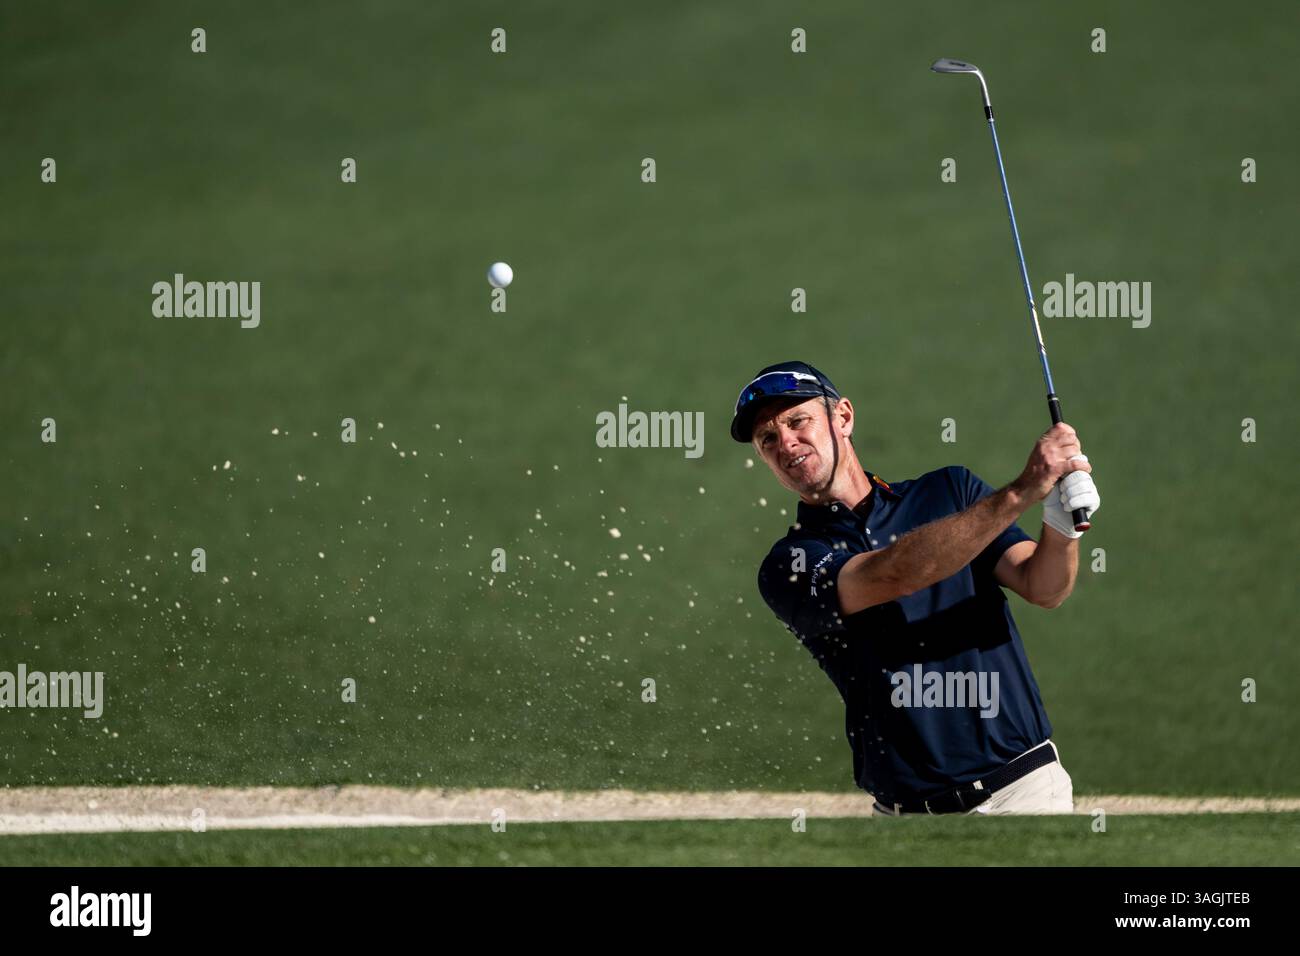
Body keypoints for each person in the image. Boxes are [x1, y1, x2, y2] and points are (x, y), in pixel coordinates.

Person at [731, 361, 1100, 815]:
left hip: (1020, 792)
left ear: (842, 418)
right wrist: (1023, 491)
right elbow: (893, 575)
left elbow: (1043, 587)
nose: (786, 443)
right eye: (767, 438)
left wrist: (1061, 527)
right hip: (905, 820)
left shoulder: (951, 492)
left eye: (797, 421)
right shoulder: (789, 564)